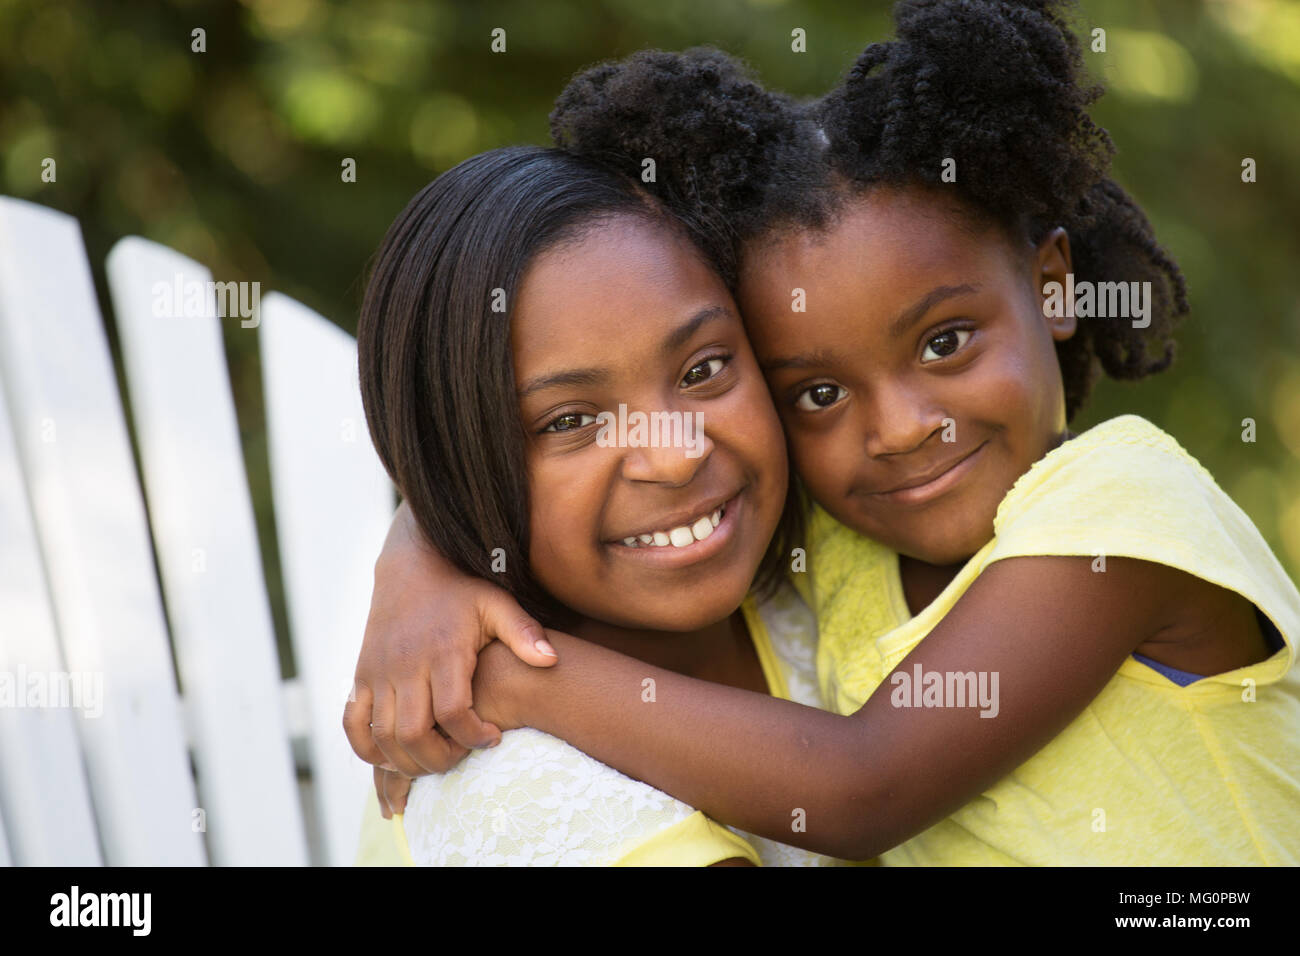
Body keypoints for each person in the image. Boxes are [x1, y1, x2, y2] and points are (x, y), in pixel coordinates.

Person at [348, 0, 1300, 866]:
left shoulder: (1122, 512)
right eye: (816, 394)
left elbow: (860, 786)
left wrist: (503, 672)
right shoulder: (846, 547)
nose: (896, 429)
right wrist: (426, 553)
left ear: (1055, 286)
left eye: (947, 340)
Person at [350, 141, 855, 865]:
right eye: (569, 421)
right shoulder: (512, 791)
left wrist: (414, 549)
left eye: (704, 368)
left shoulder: (821, 562)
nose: (678, 455)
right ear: (455, 466)